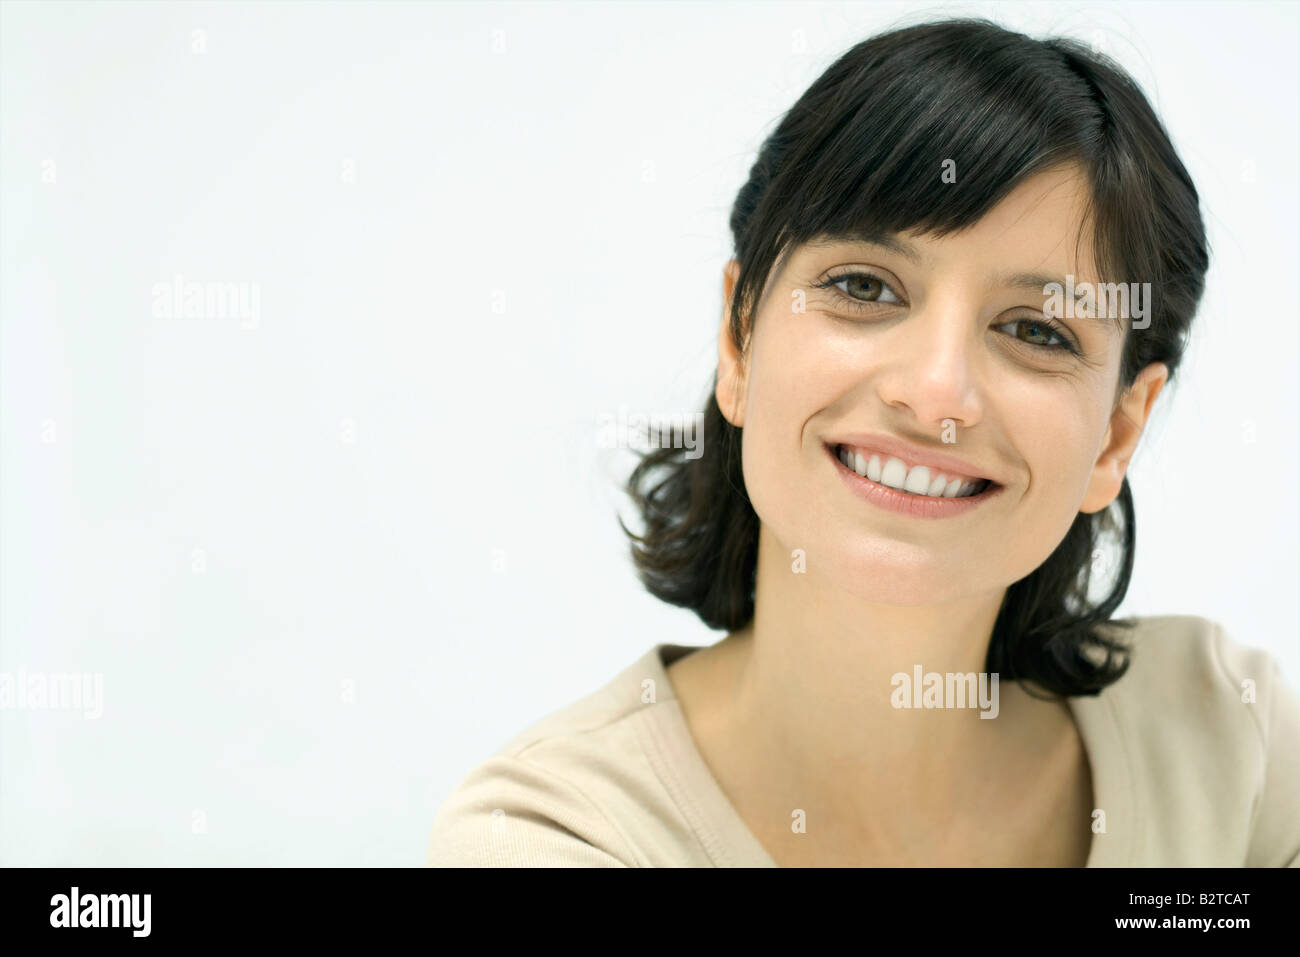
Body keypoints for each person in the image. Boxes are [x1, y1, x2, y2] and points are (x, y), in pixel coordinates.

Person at [427, 17, 1300, 867]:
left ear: (1117, 432)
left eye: (1036, 331)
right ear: (740, 337)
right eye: (863, 286)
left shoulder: (1237, 749)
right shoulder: (557, 836)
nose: (935, 393)